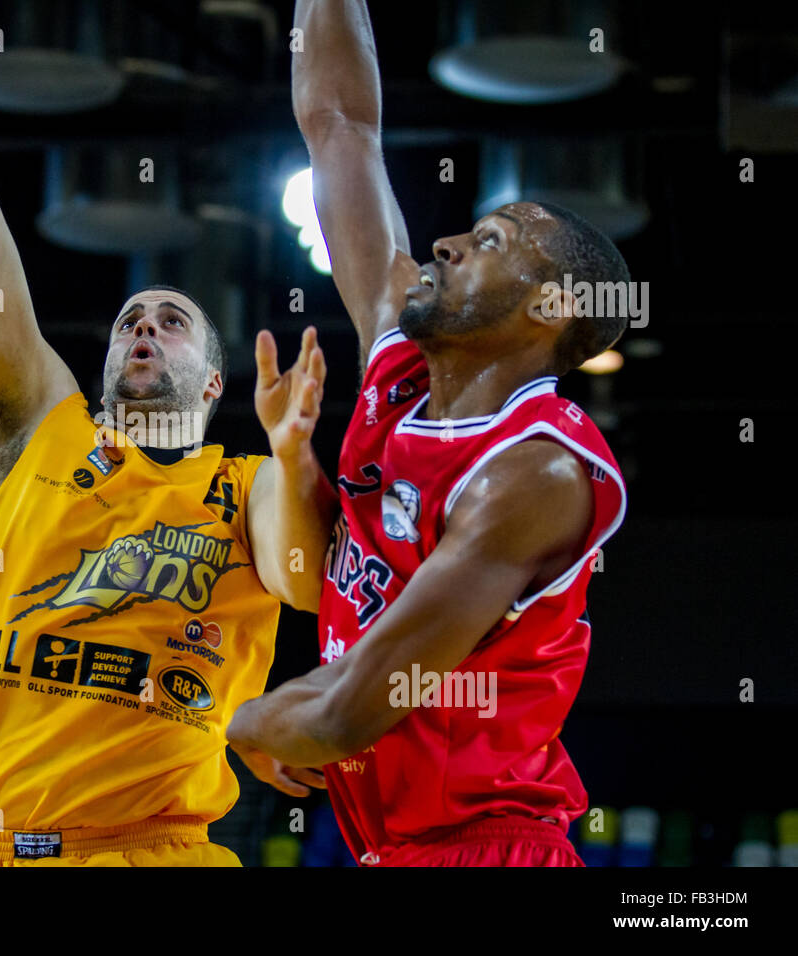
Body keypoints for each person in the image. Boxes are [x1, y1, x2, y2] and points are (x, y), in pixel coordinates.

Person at [0, 0, 335, 867]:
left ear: (214, 383)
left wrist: (291, 453)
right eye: (131, 319)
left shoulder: (243, 485)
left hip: (150, 850)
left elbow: (304, 580)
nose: (142, 327)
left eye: (171, 321)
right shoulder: (29, 434)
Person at [227, 0, 630, 867]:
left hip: (484, 849)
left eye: (488, 240)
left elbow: (348, 714)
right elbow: (340, 124)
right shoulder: (398, 366)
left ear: (549, 308)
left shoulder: (531, 474)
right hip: (390, 843)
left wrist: (254, 715)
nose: (445, 242)